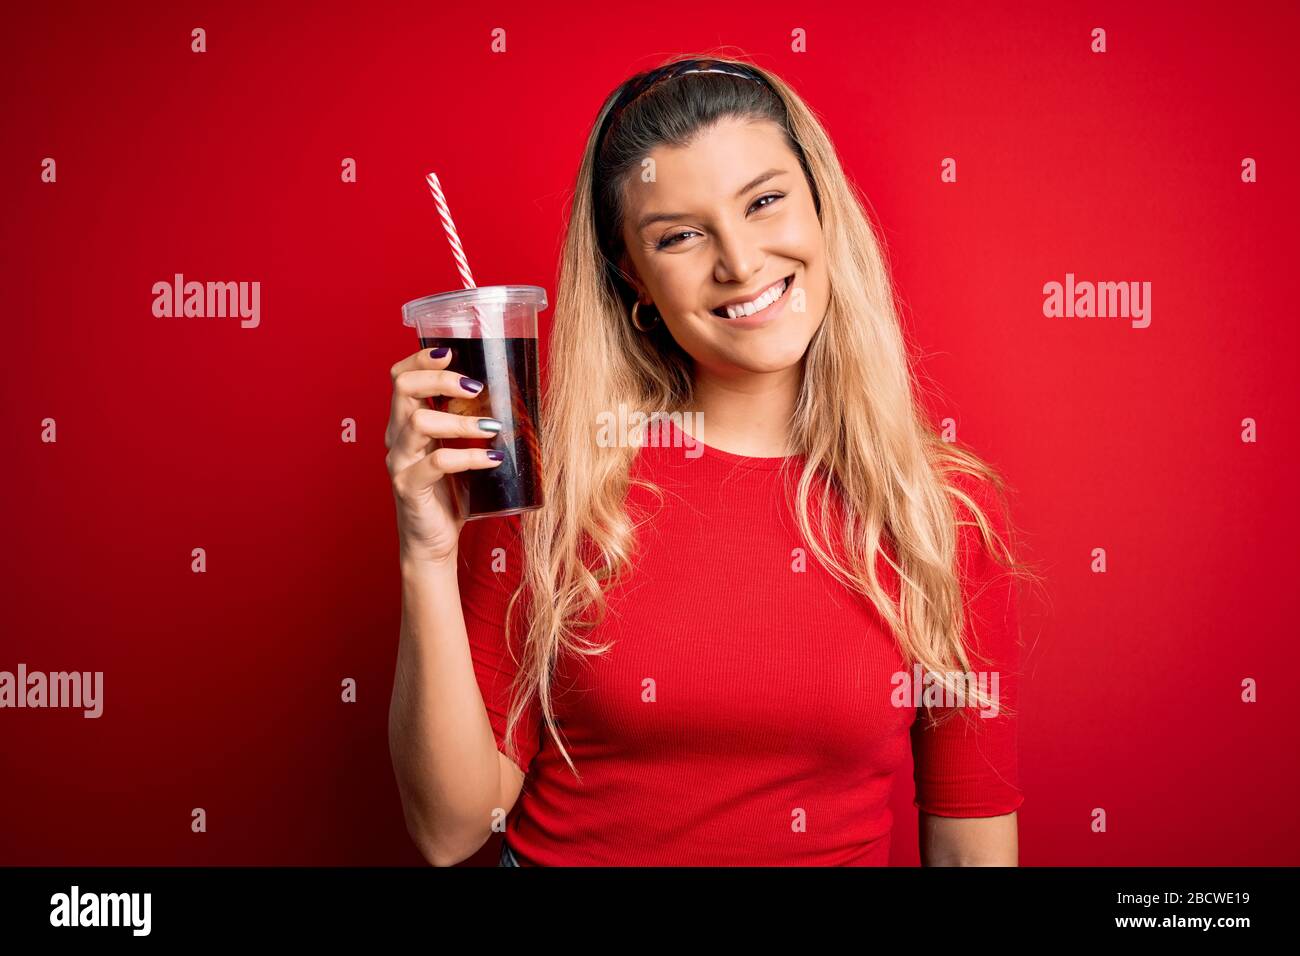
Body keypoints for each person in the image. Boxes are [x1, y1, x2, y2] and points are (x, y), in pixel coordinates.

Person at [385, 53, 1040, 867]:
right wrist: (427, 552)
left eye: (764, 202)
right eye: (682, 236)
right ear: (637, 280)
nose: (740, 262)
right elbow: (451, 831)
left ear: (822, 210)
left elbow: (972, 852)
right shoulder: (551, 486)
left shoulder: (941, 509)